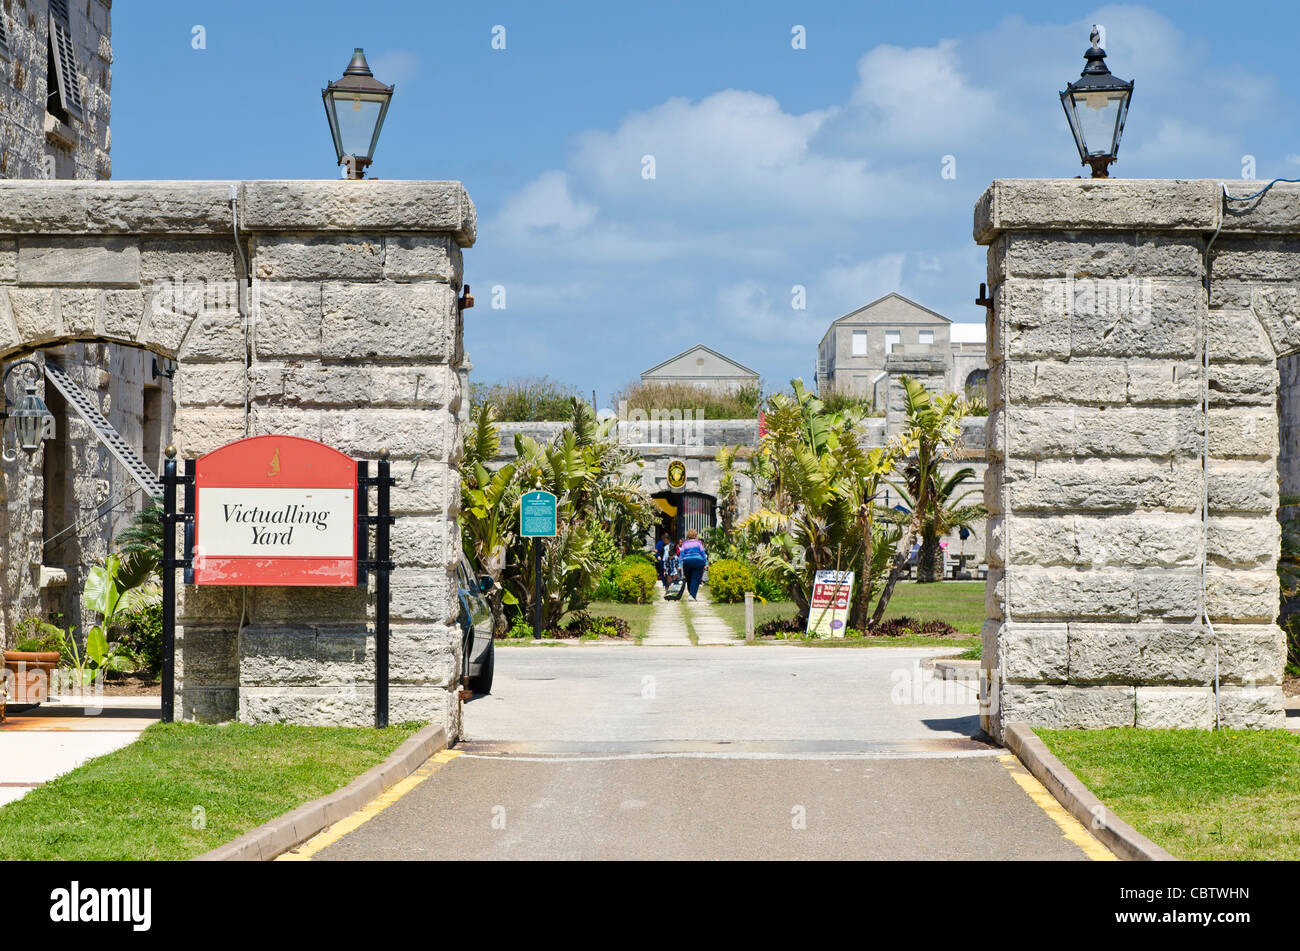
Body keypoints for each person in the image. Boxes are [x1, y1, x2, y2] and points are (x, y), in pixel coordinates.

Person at [678, 529, 709, 601]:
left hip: (687, 562)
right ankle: (692, 595)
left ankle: (691, 594)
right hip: (698, 561)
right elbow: (703, 554)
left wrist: (680, 564)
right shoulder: (698, 543)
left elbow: (681, 555)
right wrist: (706, 563)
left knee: (689, 579)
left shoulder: (684, 544)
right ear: (695, 535)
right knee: (696, 579)